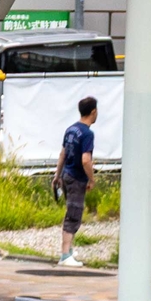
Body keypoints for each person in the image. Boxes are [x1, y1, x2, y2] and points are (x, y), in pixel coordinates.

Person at [55, 96, 96, 269]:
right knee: (74, 214)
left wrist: (57, 175)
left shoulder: (70, 129)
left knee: (70, 211)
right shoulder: (87, 133)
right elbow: (86, 160)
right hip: (77, 178)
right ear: (93, 112)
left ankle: (69, 252)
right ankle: (65, 255)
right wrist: (92, 179)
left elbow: (62, 153)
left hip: (66, 175)